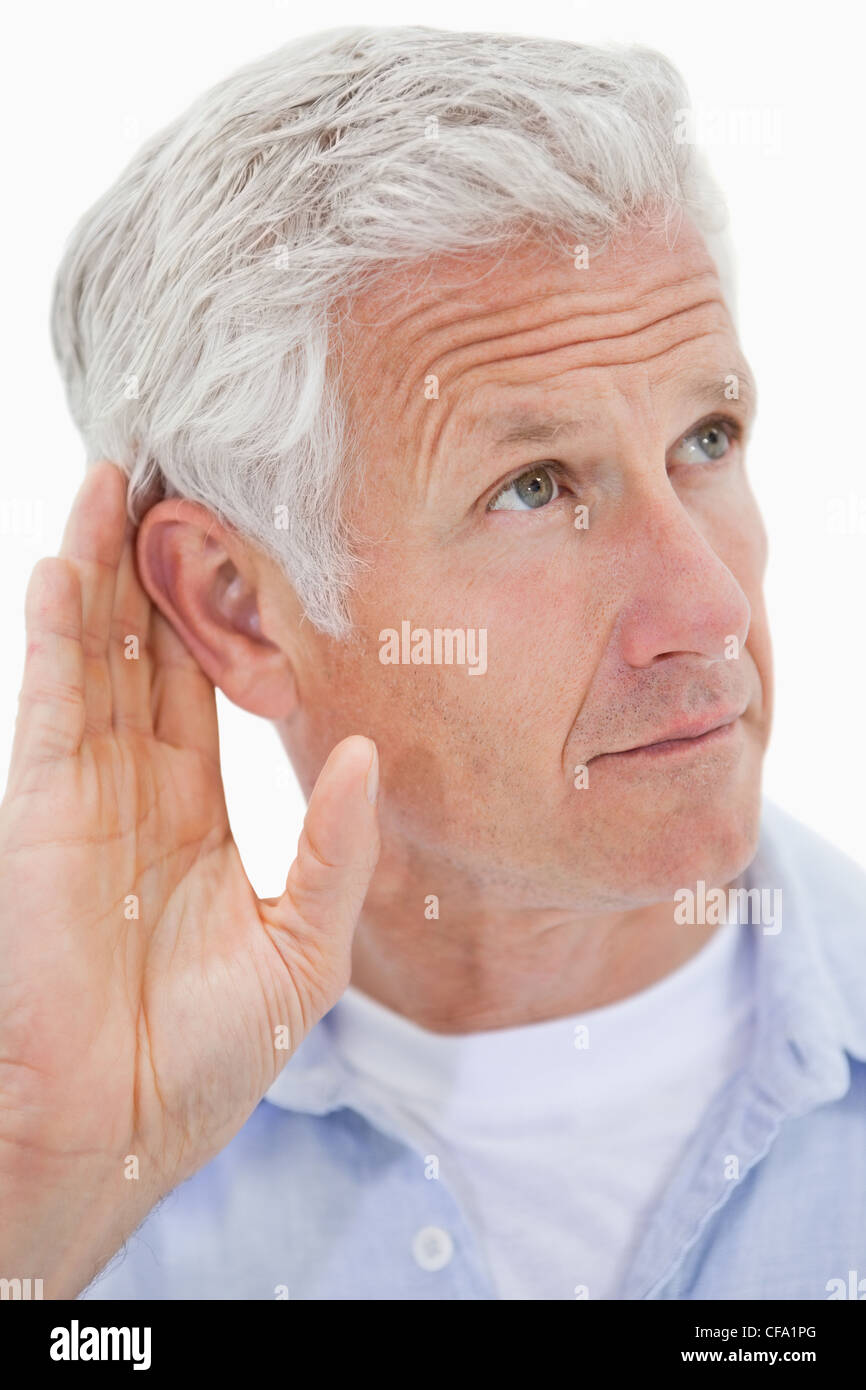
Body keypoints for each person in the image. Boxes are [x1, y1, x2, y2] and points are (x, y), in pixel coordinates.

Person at [1, 25, 864, 1302]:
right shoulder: (60, 1155)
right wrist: (35, 1208)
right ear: (238, 606)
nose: (707, 605)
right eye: (531, 485)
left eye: (704, 435)